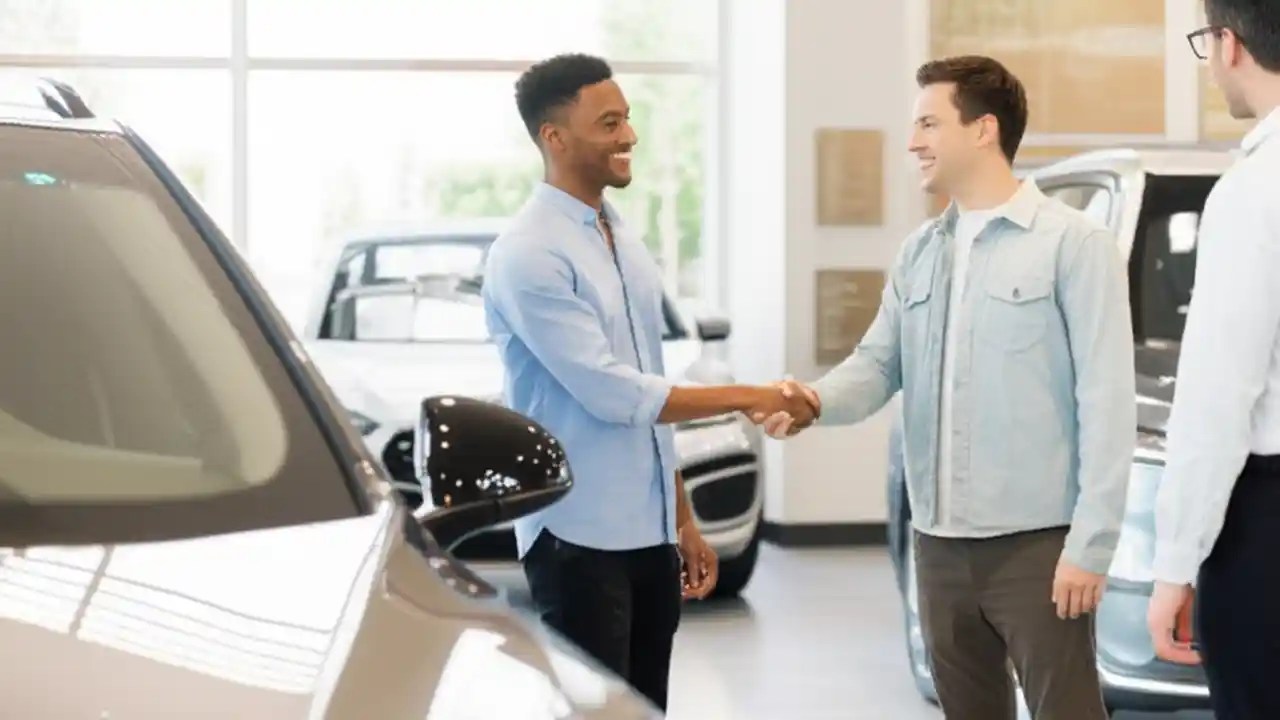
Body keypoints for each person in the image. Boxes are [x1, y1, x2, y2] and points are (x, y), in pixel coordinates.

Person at [761, 55, 1135, 720]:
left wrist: (1092, 545)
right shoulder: (921, 252)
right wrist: (815, 401)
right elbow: (879, 363)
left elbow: (1106, 402)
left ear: (984, 129)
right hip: (936, 545)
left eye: (929, 123)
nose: (913, 141)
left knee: (1067, 711)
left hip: (1038, 547)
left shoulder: (1073, 245)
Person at [481, 53, 814, 713]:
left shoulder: (620, 238)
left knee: (646, 709)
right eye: (609, 123)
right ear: (556, 138)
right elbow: (615, 393)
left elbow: (650, 386)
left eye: (627, 118)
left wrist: (682, 518)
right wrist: (749, 395)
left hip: (647, 533)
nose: (629, 135)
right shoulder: (529, 253)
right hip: (576, 535)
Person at [1146, 2, 1280, 717]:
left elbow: (1219, 398)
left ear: (1229, 45)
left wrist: (1173, 565)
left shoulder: (1254, 190)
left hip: (1266, 528)